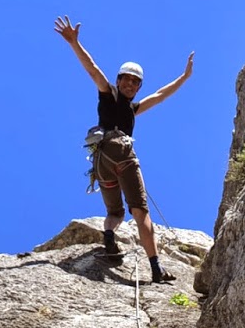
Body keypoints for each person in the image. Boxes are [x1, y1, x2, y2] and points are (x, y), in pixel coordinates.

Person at [54, 16, 194, 282]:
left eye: (134, 83)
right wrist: (74, 43)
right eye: (126, 80)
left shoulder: (133, 108)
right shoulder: (109, 93)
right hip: (121, 154)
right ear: (119, 81)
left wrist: (183, 77)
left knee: (115, 213)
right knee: (140, 211)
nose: (130, 85)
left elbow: (161, 94)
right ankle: (156, 269)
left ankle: (109, 235)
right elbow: (93, 69)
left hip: (102, 162)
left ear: (138, 87)